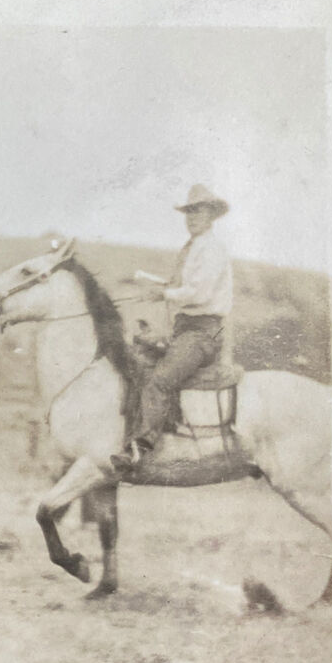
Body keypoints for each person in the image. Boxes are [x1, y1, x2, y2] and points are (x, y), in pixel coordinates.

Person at [108, 184, 234, 472]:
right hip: (186, 329)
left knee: (160, 381)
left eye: (198, 211)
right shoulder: (192, 248)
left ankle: (141, 449)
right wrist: (161, 288)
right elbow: (183, 290)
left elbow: (199, 294)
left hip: (204, 333)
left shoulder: (212, 249)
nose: (191, 217)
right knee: (138, 361)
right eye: (188, 211)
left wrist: (162, 294)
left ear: (212, 214)